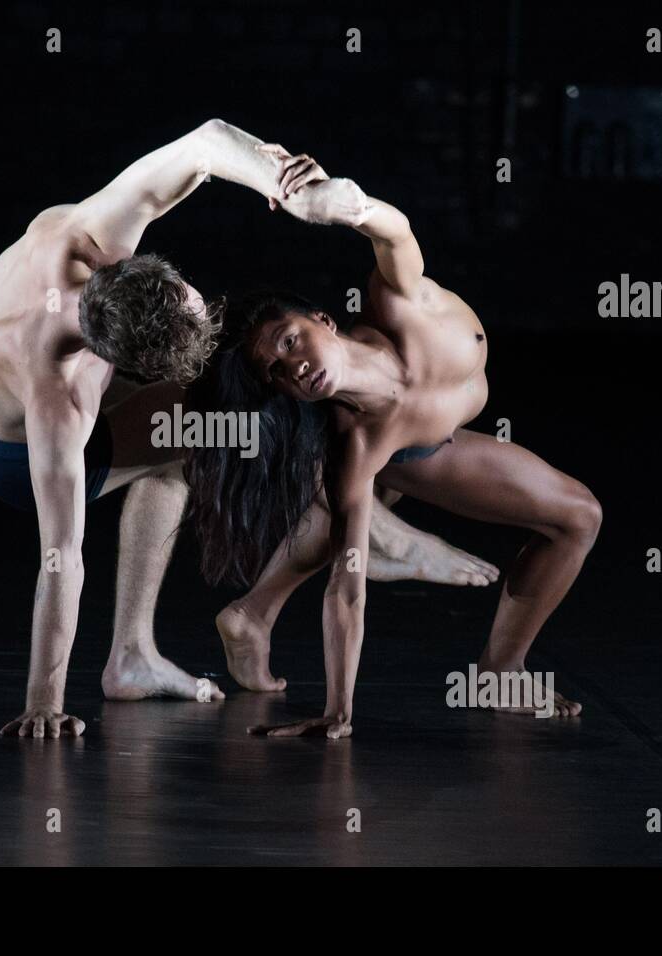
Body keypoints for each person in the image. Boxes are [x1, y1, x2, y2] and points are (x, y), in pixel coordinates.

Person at [0, 120, 494, 738]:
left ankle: (132, 656)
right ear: (126, 369)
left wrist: (295, 194)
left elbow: (205, 142)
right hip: (4, 453)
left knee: (186, 443)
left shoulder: (90, 229)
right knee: (211, 422)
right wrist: (44, 698)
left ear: (149, 268)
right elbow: (60, 558)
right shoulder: (61, 400)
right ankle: (376, 532)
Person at [186, 145, 602, 737]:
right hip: (416, 449)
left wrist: (347, 203)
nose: (293, 368)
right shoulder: (359, 446)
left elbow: (397, 234)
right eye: (277, 374)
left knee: (577, 517)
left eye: (288, 343)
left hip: (438, 424)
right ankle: (498, 669)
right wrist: (339, 712)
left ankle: (254, 615)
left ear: (322, 321)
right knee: (354, 516)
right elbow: (347, 590)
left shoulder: (396, 305)